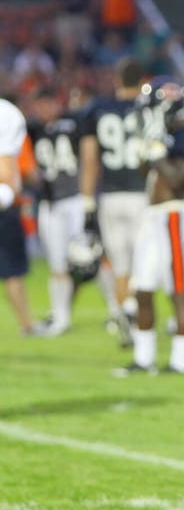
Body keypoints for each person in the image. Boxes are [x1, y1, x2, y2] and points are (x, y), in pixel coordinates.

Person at [114, 124, 184, 376]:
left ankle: (181, 359)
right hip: (151, 219)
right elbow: (148, 174)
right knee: (142, 290)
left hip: (173, 216)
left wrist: (158, 153)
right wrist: (147, 151)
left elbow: (178, 179)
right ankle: (144, 358)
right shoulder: (161, 136)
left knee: (179, 290)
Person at [79, 57, 148, 345]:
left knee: (120, 266)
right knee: (144, 264)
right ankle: (140, 323)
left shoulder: (97, 109)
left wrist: (86, 202)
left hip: (110, 196)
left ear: (118, 80)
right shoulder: (148, 108)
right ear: (142, 80)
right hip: (143, 194)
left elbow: (90, 159)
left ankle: (127, 320)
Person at [27, 87, 85, 335]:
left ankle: (118, 311)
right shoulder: (30, 130)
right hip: (51, 203)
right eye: (40, 105)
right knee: (57, 263)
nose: (44, 110)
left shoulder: (74, 124)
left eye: (47, 103)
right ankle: (60, 317)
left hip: (76, 198)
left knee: (93, 258)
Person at [0, 97, 40, 335]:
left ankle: (27, 324)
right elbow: (18, 174)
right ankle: (26, 324)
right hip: (6, 210)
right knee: (12, 271)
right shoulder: (8, 120)